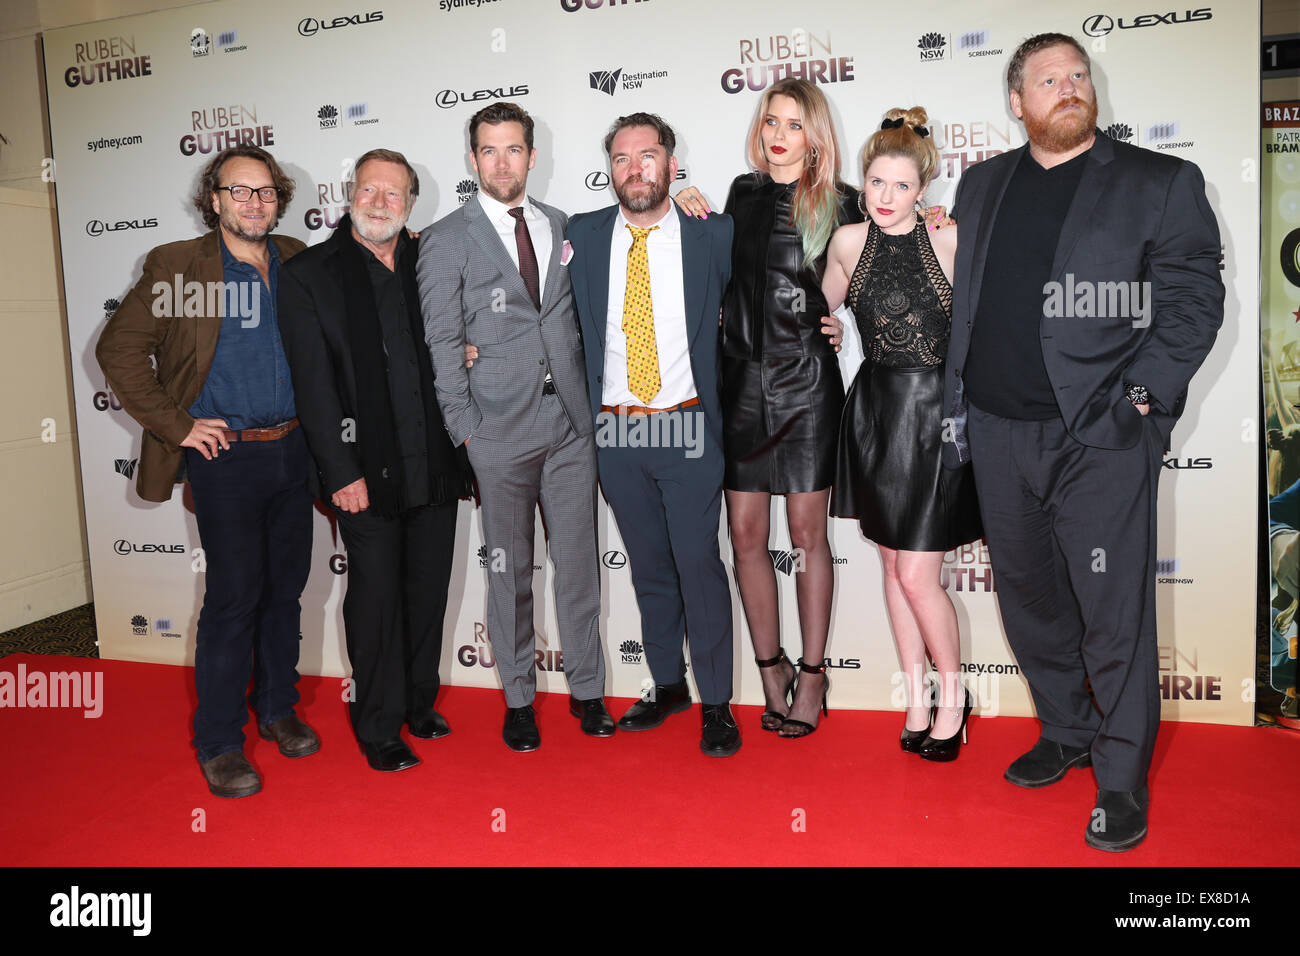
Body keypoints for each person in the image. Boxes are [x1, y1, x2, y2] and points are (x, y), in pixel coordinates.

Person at [941, 33, 1223, 850]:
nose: (1068, 87)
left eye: (1077, 75)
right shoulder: (983, 182)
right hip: (996, 430)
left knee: (1113, 614)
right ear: (1016, 102)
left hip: (1099, 438)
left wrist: (1138, 403)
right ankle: (1065, 730)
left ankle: (1122, 780)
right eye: (1047, 79)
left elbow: (1192, 303)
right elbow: (968, 303)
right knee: (1029, 602)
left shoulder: (1158, 181)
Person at [96, 145, 318, 798]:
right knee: (233, 599)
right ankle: (220, 741)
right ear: (214, 198)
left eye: (266, 192)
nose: (255, 203)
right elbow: (120, 348)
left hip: (293, 449)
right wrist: (179, 425)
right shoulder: (181, 265)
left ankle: (277, 708)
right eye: (239, 191)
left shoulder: (297, 259)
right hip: (225, 459)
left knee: (285, 591)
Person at [418, 103, 611, 752]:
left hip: (569, 429)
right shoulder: (446, 239)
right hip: (497, 434)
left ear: (533, 156)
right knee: (510, 573)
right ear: (473, 161)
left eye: (514, 149)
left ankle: (588, 690)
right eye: (489, 151)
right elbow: (443, 343)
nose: (503, 162)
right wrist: (466, 428)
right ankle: (520, 699)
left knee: (580, 567)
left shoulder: (561, 225)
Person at [277, 149, 473, 772]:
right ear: (350, 194)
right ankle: (379, 725)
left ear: (411, 204)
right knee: (376, 601)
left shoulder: (429, 262)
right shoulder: (311, 274)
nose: (380, 202)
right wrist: (340, 474)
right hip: (362, 472)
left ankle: (419, 703)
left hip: (434, 463)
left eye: (394, 194)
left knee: (427, 592)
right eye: (370, 190)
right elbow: (314, 388)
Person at [565, 112, 741, 756]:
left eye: (647, 156)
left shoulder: (713, 234)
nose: (634, 168)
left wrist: (827, 327)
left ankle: (717, 702)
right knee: (649, 568)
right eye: (621, 158)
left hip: (689, 426)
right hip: (616, 433)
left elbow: (764, 307)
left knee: (699, 565)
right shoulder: (579, 235)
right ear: (609, 168)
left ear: (671, 164)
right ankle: (669, 683)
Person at [823, 108, 982, 760]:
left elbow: (994, 323)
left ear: (924, 190)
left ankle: (954, 698)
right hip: (877, 414)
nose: (885, 198)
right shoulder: (846, 243)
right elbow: (814, 307)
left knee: (919, 575)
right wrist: (825, 328)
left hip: (939, 420)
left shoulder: (948, 240)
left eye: (901, 187)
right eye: (875, 183)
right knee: (892, 564)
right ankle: (915, 699)